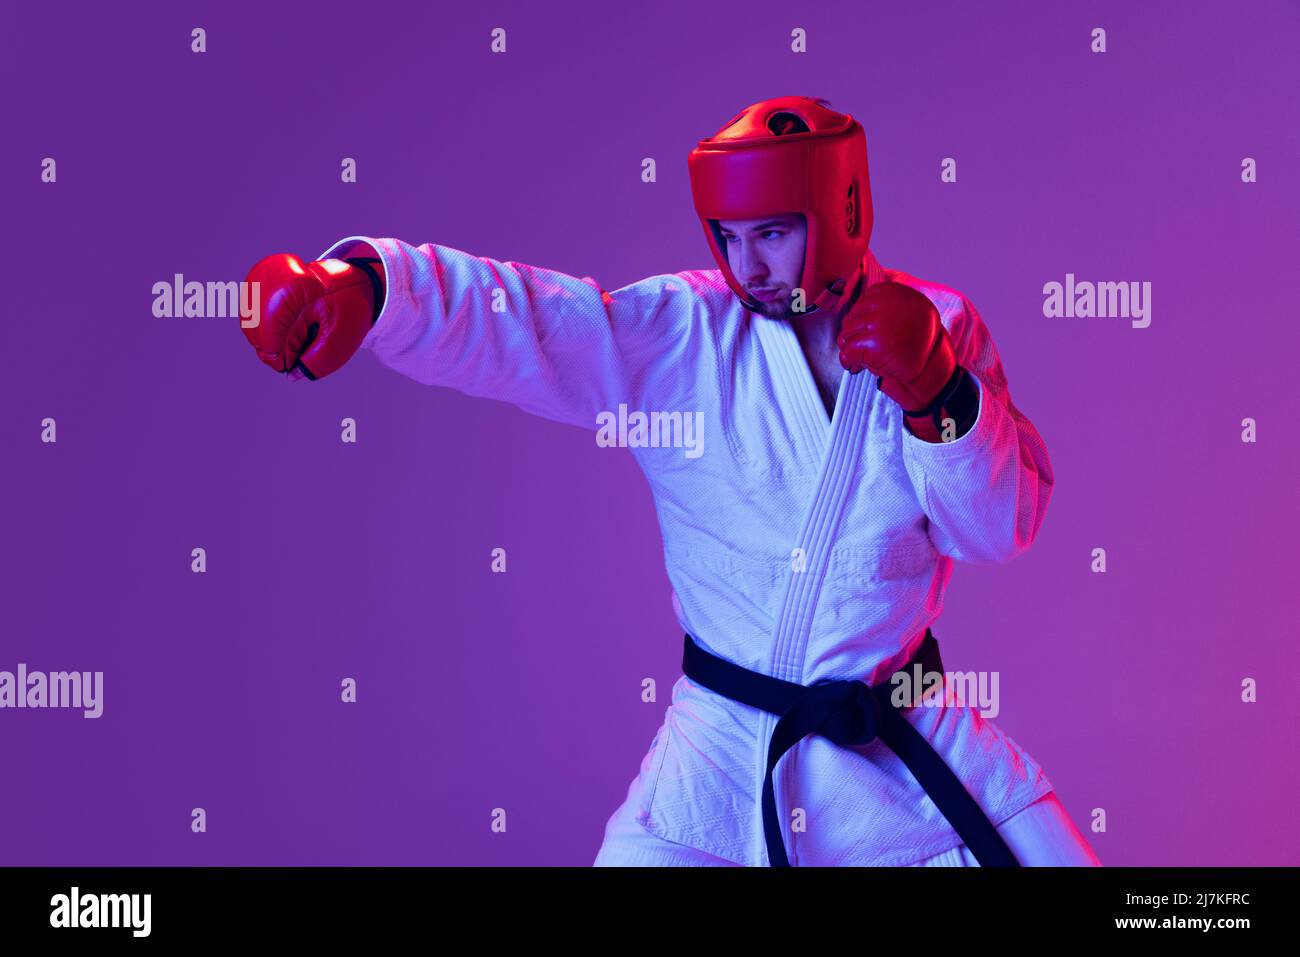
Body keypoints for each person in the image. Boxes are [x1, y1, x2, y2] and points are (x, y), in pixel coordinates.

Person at [240, 95, 1101, 867]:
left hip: (902, 729)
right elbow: (533, 321)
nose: (749, 265)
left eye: (772, 232)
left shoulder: (940, 323)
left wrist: (942, 394)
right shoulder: (687, 333)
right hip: (722, 753)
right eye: (730, 238)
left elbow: (999, 529)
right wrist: (373, 286)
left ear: (841, 209)